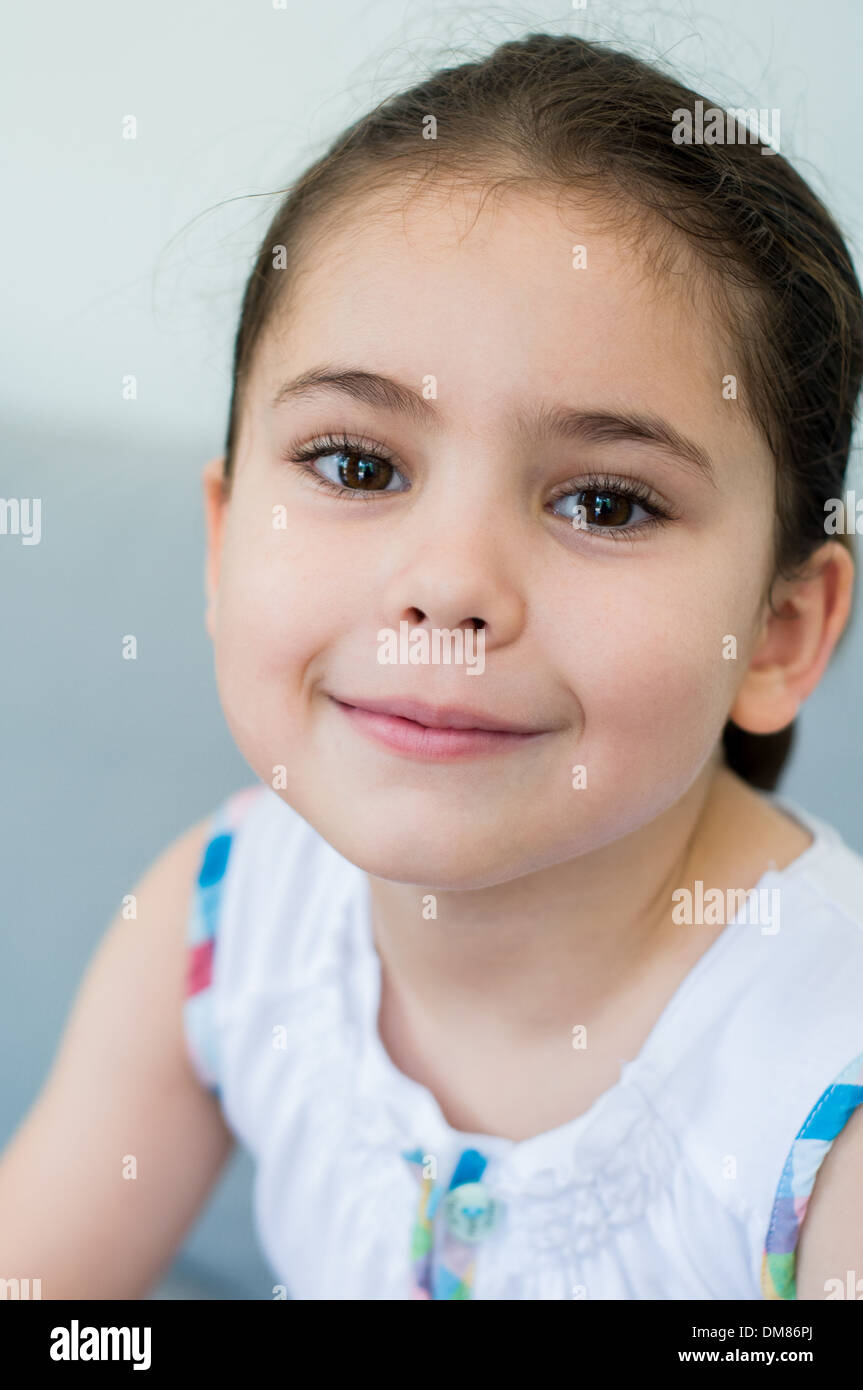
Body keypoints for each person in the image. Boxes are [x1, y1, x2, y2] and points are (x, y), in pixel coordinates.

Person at [3, 31, 863, 1300]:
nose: (450, 582)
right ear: (223, 535)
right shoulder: (228, 918)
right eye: (357, 466)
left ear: (780, 632)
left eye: (607, 502)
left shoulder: (817, 1104)